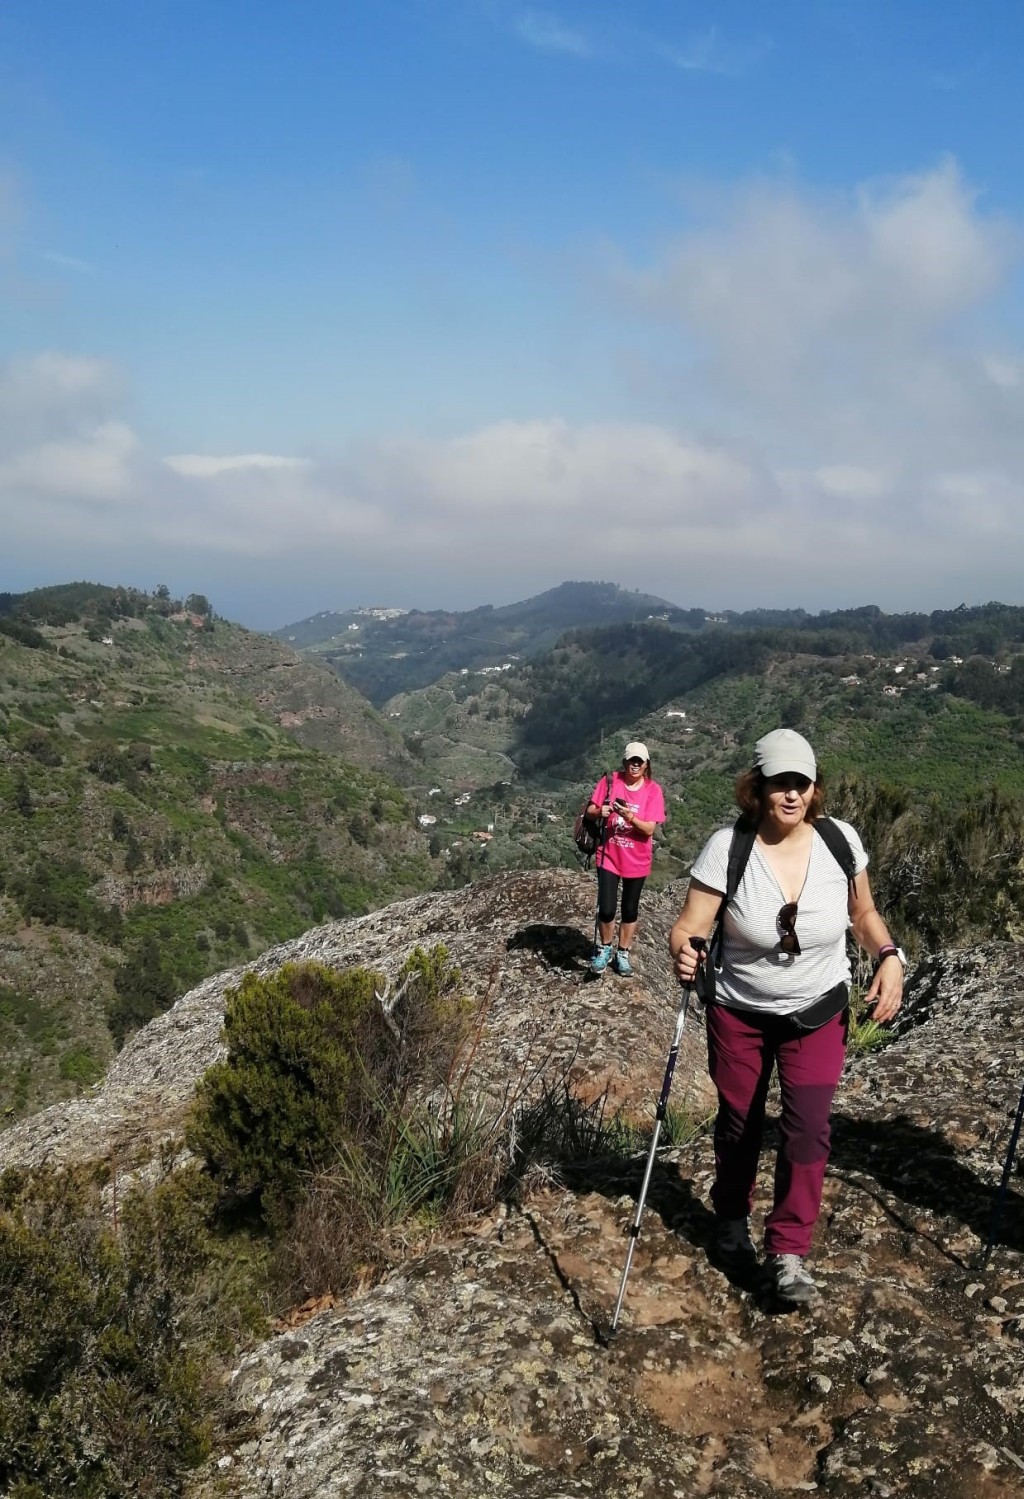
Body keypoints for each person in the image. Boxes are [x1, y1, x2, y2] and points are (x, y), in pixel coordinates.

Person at [668, 728, 904, 1306]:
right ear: (758, 788)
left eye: (802, 782)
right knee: (739, 1122)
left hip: (818, 1008)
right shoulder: (728, 847)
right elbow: (690, 924)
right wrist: (684, 948)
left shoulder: (839, 842)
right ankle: (729, 1219)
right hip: (739, 1009)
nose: (793, 794)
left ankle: (787, 1251)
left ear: (814, 787)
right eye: (781, 783)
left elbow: (863, 913)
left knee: (808, 1127)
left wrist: (889, 956)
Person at [586, 741, 666, 978]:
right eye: (631, 760)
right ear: (624, 762)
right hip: (609, 855)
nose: (635, 765)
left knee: (630, 909)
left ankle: (622, 952)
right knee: (607, 908)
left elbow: (649, 829)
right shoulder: (610, 781)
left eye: (639, 761)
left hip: (637, 859)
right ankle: (605, 948)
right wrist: (600, 811)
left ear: (646, 765)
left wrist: (628, 816)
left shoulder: (653, 790)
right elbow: (591, 809)